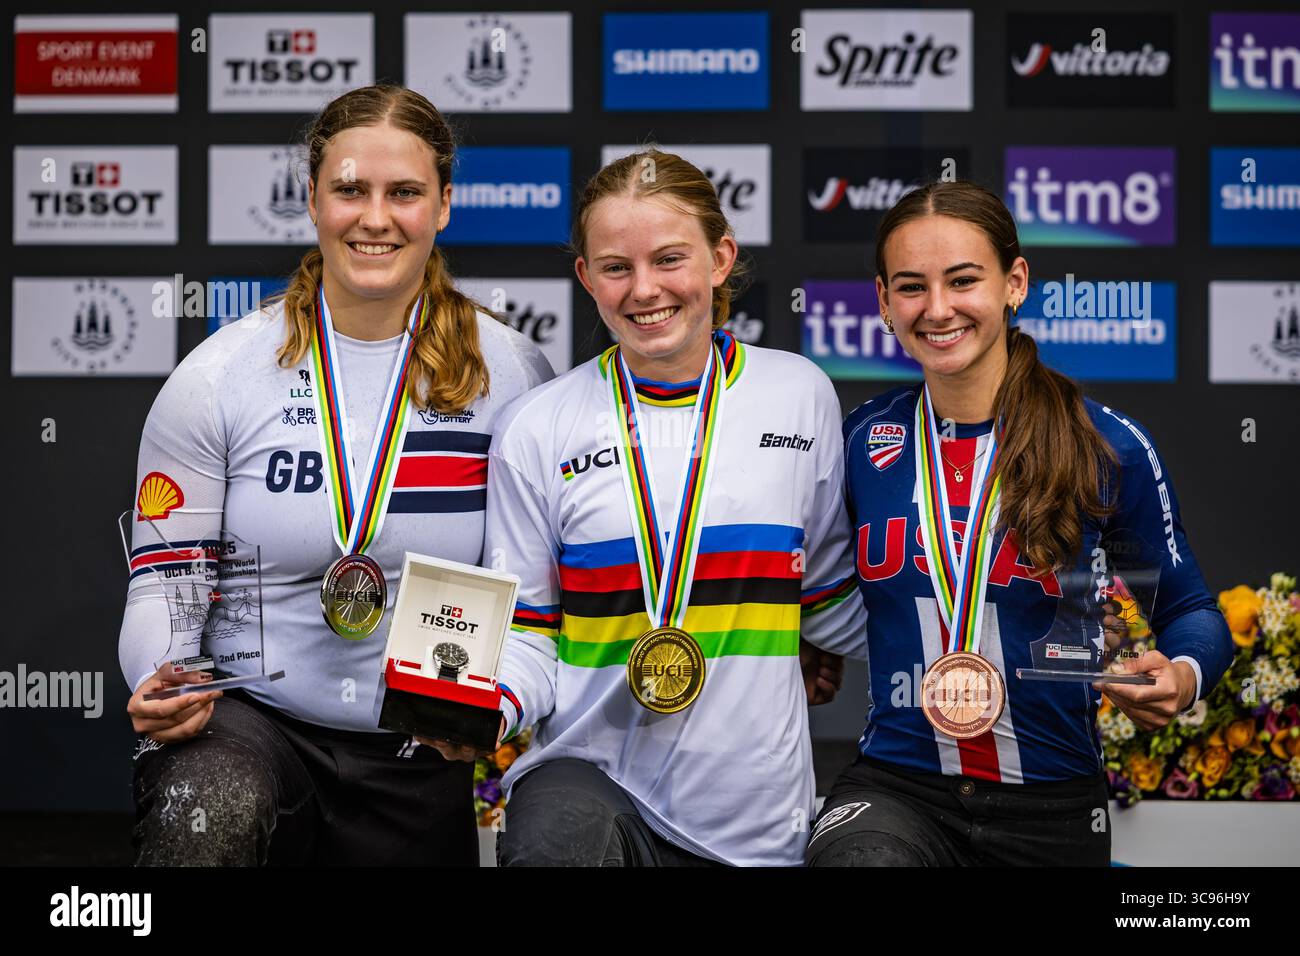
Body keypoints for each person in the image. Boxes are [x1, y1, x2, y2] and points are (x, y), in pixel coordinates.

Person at [118, 85, 553, 866]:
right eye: (350, 189)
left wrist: (490, 708)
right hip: (254, 720)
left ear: (445, 205)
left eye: (405, 193)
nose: (375, 217)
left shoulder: (515, 374)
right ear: (313, 199)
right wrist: (162, 673)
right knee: (208, 804)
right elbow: (164, 582)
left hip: (429, 742)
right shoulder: (218, 376)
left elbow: (528, 591)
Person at [430, 150, 863, 866]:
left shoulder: (798, 395)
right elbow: (531, 632)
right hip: (590, 784)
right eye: (616, 267)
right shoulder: (538, 427)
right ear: (585, 278)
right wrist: (485, 703)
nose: (644, 290)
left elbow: (829, 598)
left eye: (669, 259)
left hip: (755, 820)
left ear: (720, 258)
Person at [808, 180, 1235, 867]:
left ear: (1014, 283)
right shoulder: (861, 440)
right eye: (911, 287)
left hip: (1054, 802)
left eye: (964, 280)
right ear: (883, 302)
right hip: (897, 788)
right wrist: (805, 646)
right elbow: (811, 580)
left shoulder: (1106, 443)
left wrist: (1181, 674)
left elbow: (1190, 610)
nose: (938, 308)